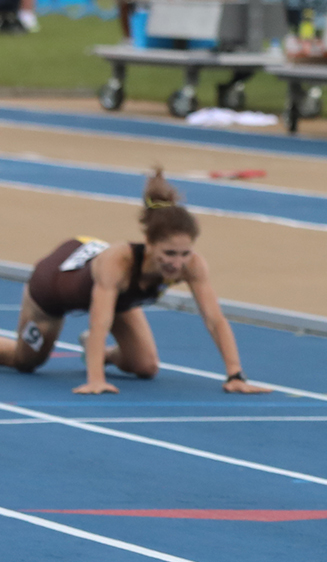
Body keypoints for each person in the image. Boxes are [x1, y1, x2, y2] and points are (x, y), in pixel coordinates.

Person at [2, 169, 271, 397]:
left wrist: (235, 375)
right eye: (169, 254)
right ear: (150, 244)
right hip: (52, 286)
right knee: (25, 362)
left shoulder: (192, 265)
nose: (176, 263)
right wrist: (95, 379)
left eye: (184, 253)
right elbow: (99, 322)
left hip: (120, 298)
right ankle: (90, 359)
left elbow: (214, 319)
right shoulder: (118, 262)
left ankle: (96, 352)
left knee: (146, 367)